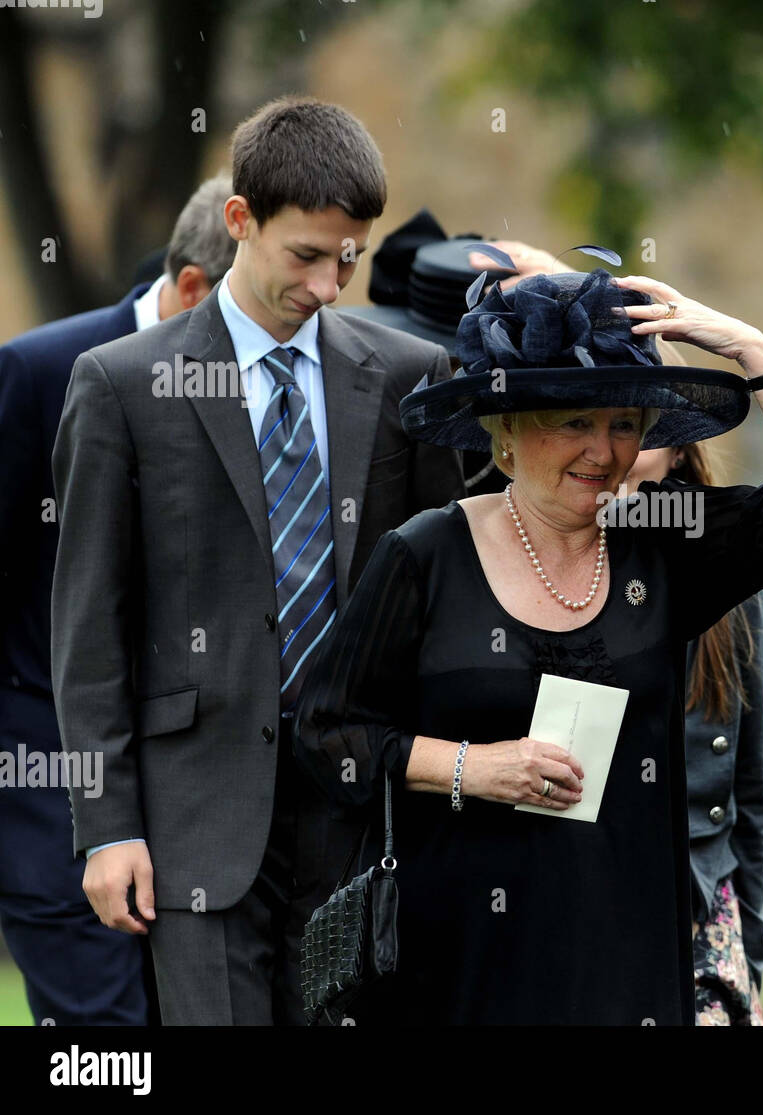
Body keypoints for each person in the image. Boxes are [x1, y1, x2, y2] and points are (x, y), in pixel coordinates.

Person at [294, 265, 763, 1024]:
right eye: (576, 421)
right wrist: (473, 766)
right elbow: (328, 732)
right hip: (458, 964)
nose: (604, 450)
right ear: (510, 428)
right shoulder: (424, 555)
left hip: (629, 961)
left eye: (625, 423)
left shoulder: (662, 543)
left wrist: (757, 355)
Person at [50, 96, 465, 1025]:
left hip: (363, 816)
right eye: (306, 256)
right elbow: (89, 628)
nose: (329, 284)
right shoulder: (120, 384)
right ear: (240, 222)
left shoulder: (407, 376)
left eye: (349, 259)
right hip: (194, 819)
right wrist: (106, 825)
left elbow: (439, 596)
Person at [0, 174, 234, 1025]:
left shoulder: (257, 388)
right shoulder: (36, 373)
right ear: (196, 289)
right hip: (48, 794)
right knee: (103, 1056)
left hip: (204, 809)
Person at [623, 439, 763, 1025]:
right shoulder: (544, 560)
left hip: (702, 909)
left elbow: (750, 795)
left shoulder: (729, 573)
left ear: (681, 452)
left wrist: (749, 958)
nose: (617, 449)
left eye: (641, 431)